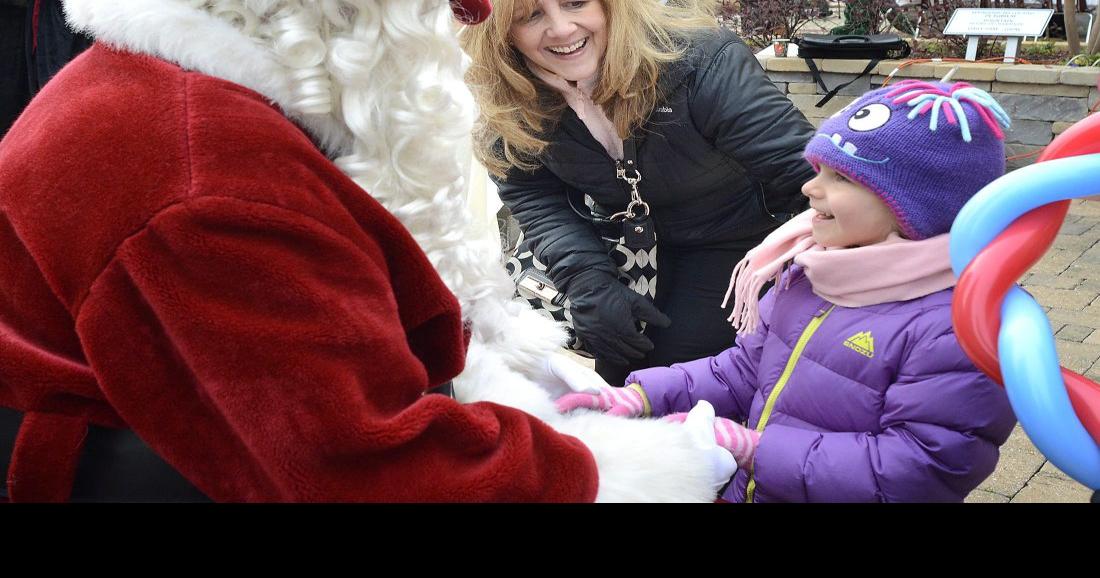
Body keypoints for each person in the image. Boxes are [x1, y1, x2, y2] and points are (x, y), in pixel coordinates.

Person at [0, 0, 734, 502]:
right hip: (128, 468)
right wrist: (636, 471)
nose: (450, 39)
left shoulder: (203, 97)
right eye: (431, 13)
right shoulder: (213, 180)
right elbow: (362, 468)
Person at [557, 81, 1019, 502]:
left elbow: (923, 468)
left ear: (914, 205)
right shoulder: (813, 272)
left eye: (842, 178)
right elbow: (743, 368)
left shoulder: (960, 325)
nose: (809, 188)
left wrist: (755, 449)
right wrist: (641, 397)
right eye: (818, 169)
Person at [460, 0, 816, 385]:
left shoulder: (697, 59)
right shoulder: (506, 93)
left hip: (732, 236)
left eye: (575, 2)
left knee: (673, 377)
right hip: (628, 246)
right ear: (500, 34)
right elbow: (533, 195)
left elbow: (805, 175)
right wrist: (587, 282)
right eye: (530, 16)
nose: (562, 29)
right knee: (617, 365)